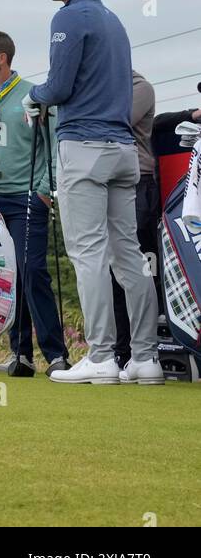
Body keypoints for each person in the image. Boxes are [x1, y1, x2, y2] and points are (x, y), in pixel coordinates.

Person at [25, 0, 162, 385]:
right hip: (124, 153)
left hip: (85, 148)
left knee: (88, 255)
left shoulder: (68, 16)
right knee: (128, 256)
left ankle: (101, 356)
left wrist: (34, 96)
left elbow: (59, 87)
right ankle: (144, 358)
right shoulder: (114, 20)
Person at [0, 31, 69, 377]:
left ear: (2, 58)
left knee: (32, 270)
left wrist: (43, 190)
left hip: (26, 198)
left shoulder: (34, 96)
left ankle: (56, 354)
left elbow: (54, 144)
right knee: (2, 278)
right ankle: (20, 354)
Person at [110, 70, 163, 368]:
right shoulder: (101, 85)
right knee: (112, 271)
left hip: (139, 182)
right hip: (110, 181)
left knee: (140, 265)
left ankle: (146, 351)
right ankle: (122, 352)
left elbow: (115, 121)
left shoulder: (140, 86)